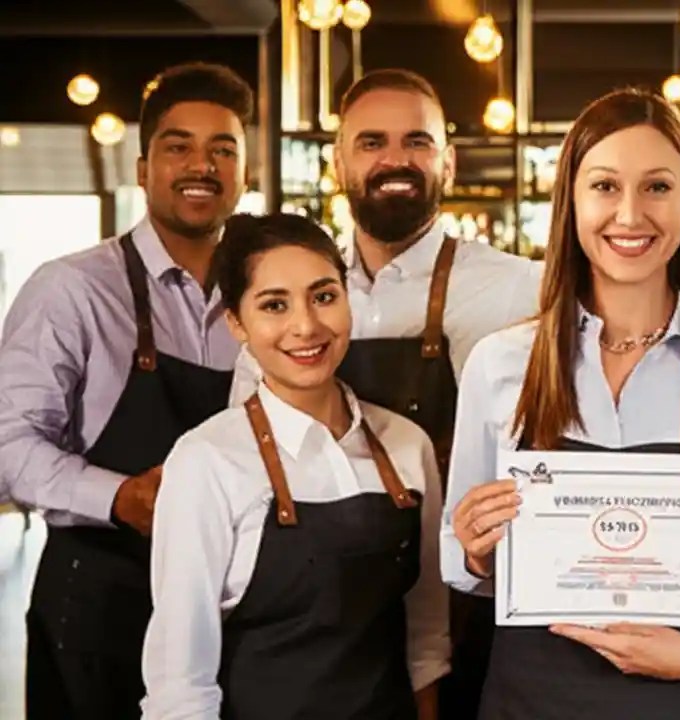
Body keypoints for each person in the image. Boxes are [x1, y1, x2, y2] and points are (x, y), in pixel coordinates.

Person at [441, 88, 680, 720]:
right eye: (606, 186)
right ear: (571, 202)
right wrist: (476, 547)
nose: (630, 214)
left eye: (658, 187)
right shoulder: (499, 363)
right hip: (533, 699)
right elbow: (457, 558)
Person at [230, 68, 542, 719]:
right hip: (326, 617)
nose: (394, 160)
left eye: (417, 142)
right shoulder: (291, 301)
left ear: (448, 161)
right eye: (371, 142)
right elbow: (244, 460)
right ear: (339, 159)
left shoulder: (522, 290)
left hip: (474, 603)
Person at [0, 62, 252, 719]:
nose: (203, 165)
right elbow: (8, 445)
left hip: (227, 611)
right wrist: (121, 497)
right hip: (98, 601)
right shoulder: (73, 290)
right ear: (143, 170)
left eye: (223, 149)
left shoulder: (267, 300)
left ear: (245, 174)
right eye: (179, 147)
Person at [140, 213, 449, 718]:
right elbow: (180, 680)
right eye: (274, 305)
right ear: (236, 323)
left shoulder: (407, 446)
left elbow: (427, 636)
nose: (306, 326)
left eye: (324, 296)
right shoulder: (206, 461)